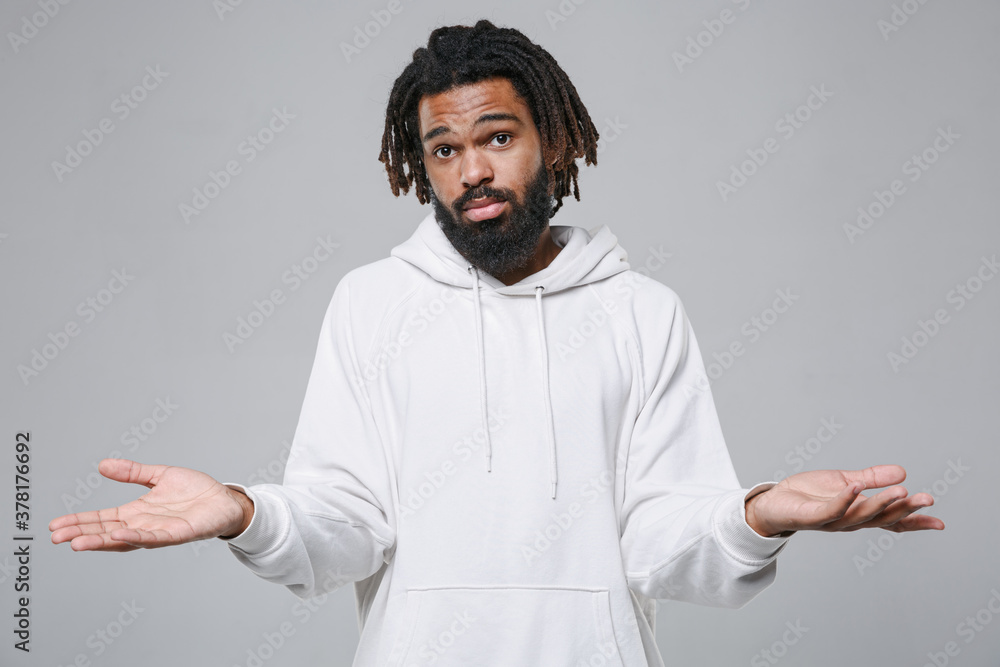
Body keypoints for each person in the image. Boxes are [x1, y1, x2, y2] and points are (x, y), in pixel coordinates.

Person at [49, 20, 944, 666]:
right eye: (442, 149)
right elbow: (346, 525)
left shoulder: (643, 311)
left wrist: (759, 514)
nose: (470, 169)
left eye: (497, 137)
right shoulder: (371, 303)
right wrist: (246, 511)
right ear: (420, 165)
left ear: (553, 141)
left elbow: (664, 540)